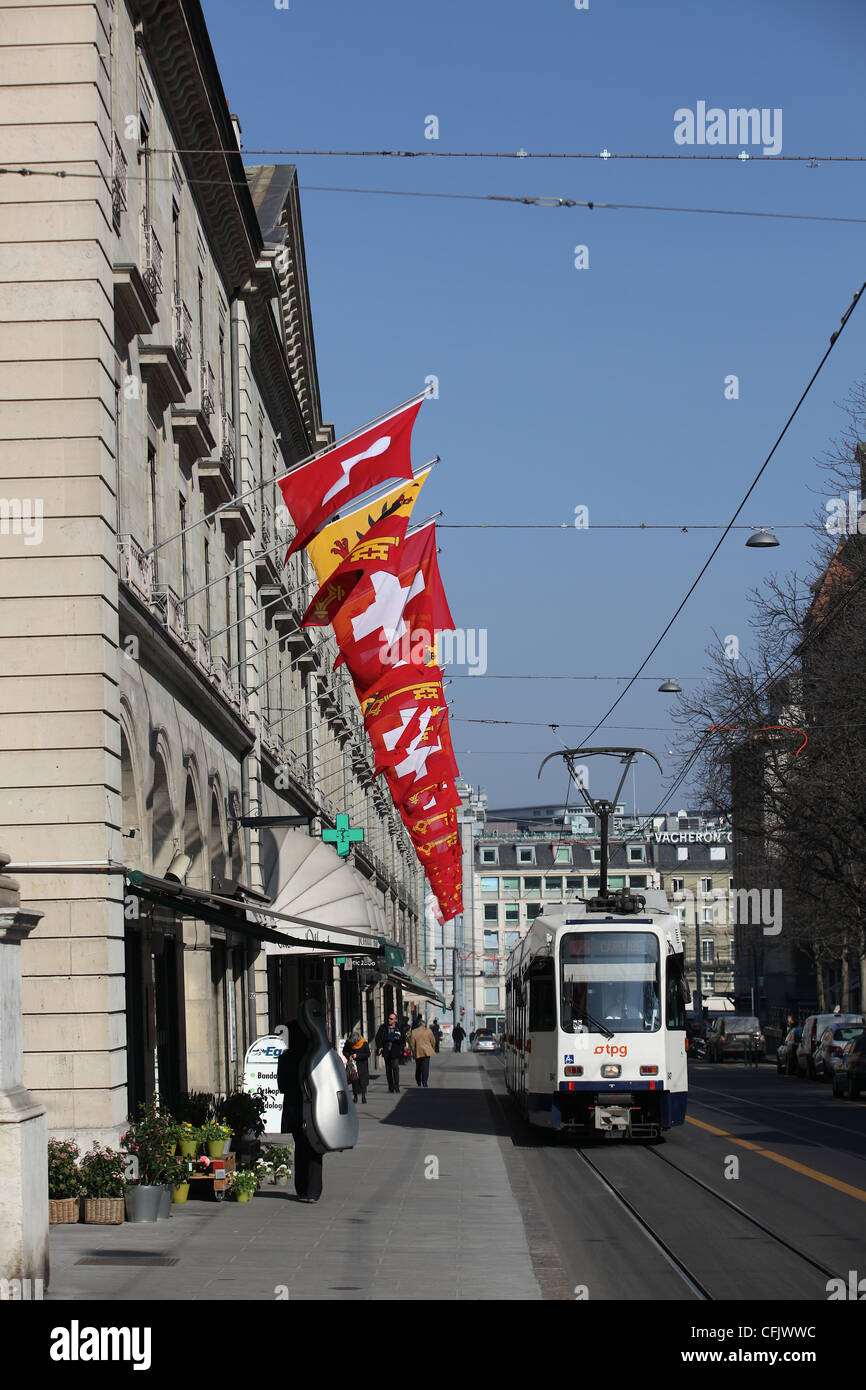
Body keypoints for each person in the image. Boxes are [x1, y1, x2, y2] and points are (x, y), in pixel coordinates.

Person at [277, 1018, 323, 1204]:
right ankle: (313, 1190)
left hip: (294, 1107)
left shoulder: (286, 1057)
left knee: (300, 1146)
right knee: (315, 1146)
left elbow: (282, 1086)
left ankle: (302, 1188)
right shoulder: (314, 1056)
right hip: (314, 1107)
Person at [375, 1012, 406, 1093]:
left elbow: (403, 1039)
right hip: (386, 1051)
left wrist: (397, 1039)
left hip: (395, 1051)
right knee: (388, 1069)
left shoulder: (399, 1028)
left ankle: (397, 1086)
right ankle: (390, 1087)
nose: (390, 1020)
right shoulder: (383, 1027)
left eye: (392, 1019)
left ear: (395, 1020)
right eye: (389, 1018)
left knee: (395, 1068)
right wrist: (380, 1047)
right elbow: (378, 1038)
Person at [342, 1027, 371, 1104]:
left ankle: (363, 1096)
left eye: (354, 1043)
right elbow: (344, 1051)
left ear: (357, 1040)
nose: (353, 1044)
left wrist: (357, 1055)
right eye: (352, 1043)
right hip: (353, 1065)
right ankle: (355, 1097)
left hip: (362, 1064)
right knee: (354, 1081)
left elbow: (368, 1054)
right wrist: (349, 1056)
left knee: (362, 1081)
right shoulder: (349, 1042)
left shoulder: (364, 1043)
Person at [409, 1016, 437, 1088]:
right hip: (427, 1052)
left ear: (418, 1025)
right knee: (425, 1067)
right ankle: (425, 1082)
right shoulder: (428, 1031)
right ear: (424, 1025)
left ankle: (418, 1081)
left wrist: (413, 1052)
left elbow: (412, 1044)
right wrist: (432, 1049)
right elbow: (433, 1041)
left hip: (418, 1051)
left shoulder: (414, 1032)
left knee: (418, 1067)